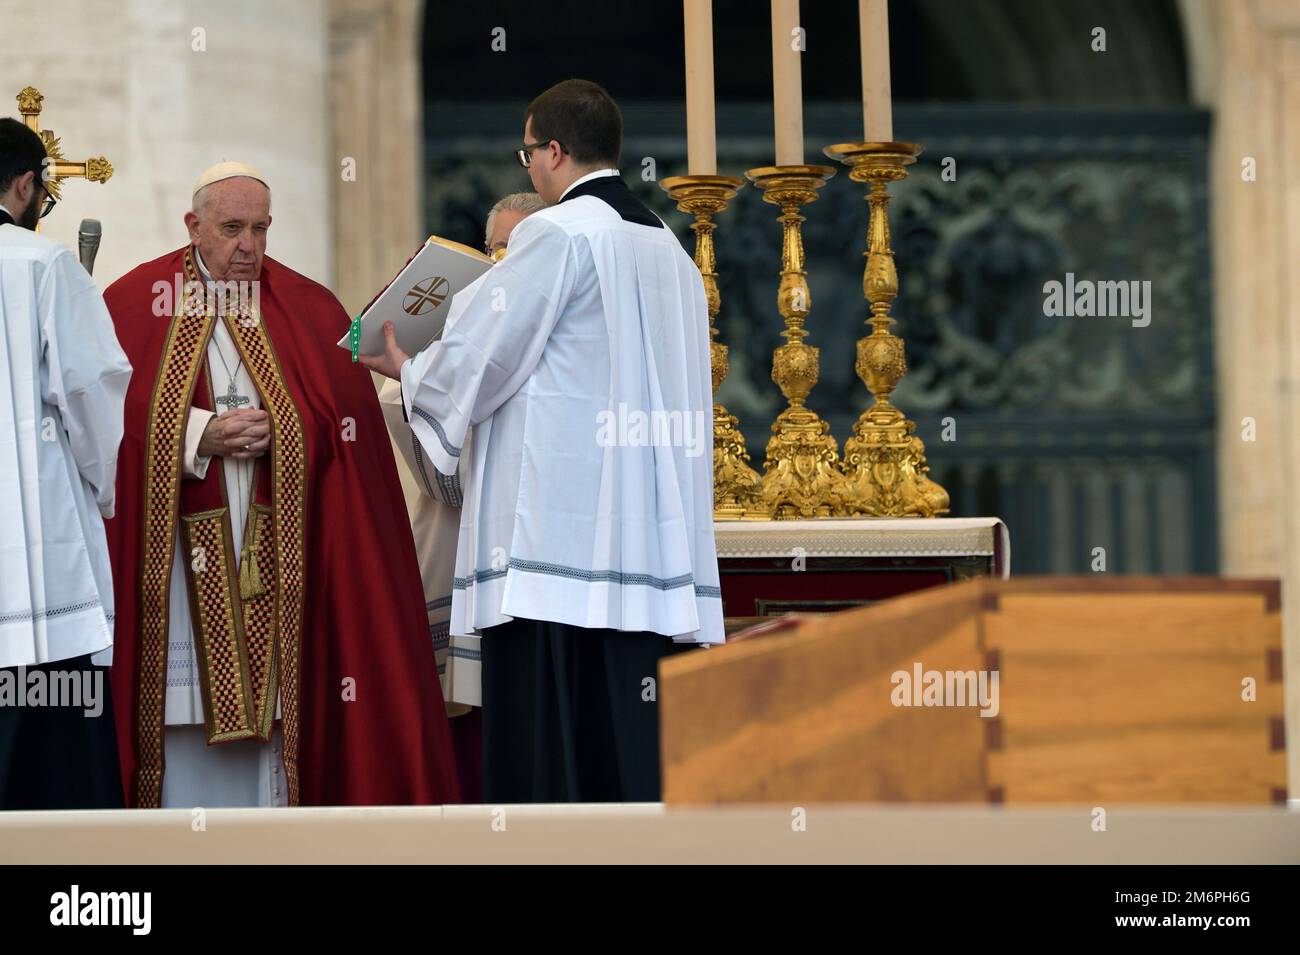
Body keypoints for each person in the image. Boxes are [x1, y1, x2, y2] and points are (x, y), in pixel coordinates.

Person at [364, 80, 724, 803]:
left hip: (555, 554)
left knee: (552, 765)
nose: (528, 165)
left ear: (555, 151)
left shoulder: (554, 234)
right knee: (630, 751)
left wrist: (408, 368)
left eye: (529, 152)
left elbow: (485, 352)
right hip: (647, 547)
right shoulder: (672, 253)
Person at [103, 161, 459, 807]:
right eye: (231, 228)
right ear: (194, 225)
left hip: (281, 557)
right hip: (181, 570)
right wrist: (196, 436)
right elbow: (108, 420)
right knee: (180, 721)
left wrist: (288, 432)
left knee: (276, 723)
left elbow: (343, 422)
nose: (248, 246)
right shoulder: (133, 300)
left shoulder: (308, 304)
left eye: (260, 229)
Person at [378, 191, 546, 802]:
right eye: (497, 248)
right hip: (454, 554)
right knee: (466, 741)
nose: (506, 263)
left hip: (533, 569)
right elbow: (446, 483)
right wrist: (415, 376)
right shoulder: (456, 333)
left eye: (521, 250)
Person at [0, 117, 131, 809]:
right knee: (53, 781)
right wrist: (102, 488)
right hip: (35, 575)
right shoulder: (43, 264)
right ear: (26, 184)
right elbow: (90, 390)